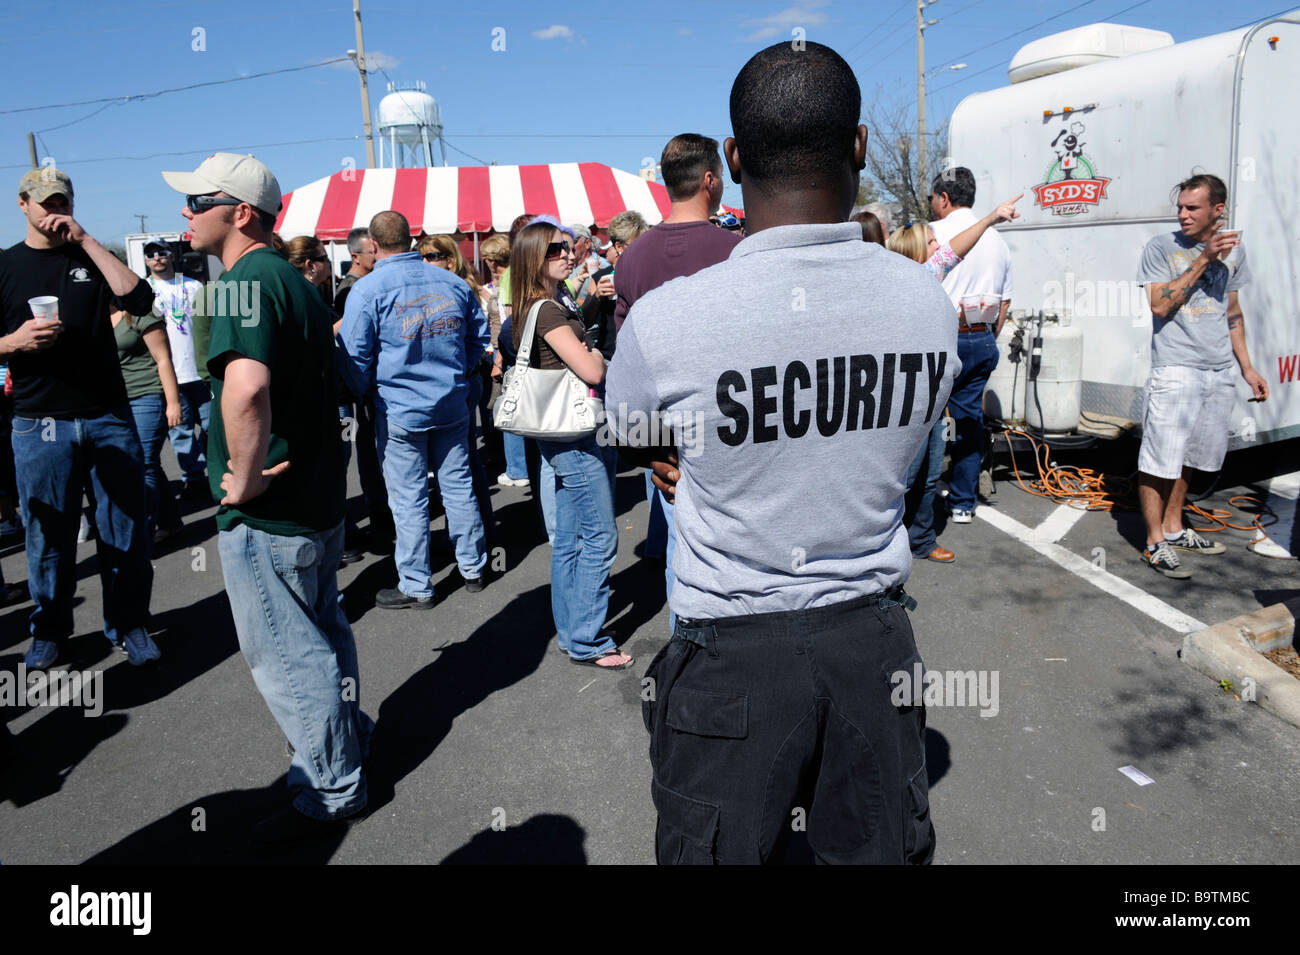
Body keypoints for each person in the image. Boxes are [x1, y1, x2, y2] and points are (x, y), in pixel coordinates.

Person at [607, 41, 955, 864]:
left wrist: (684, 448)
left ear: (733, 158)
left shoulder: (668, 318)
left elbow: (628, 432)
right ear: (862, 146)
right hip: (871, 642)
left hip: (730, 652)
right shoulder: (926, 304)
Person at [163, 152, 369, 841]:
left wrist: (246, 474)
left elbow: (247, 387)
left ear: (240, 211)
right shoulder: (290, 277)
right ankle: (341, 751)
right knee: (323, 635)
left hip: (270, 510)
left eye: (198, 201)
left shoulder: (243, 281)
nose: (185, 213)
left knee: (289, 653)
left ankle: (333, 781)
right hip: (313, 497)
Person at [0, 166, 160, 669]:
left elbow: (139, 298)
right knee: (48, 536)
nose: (54, 212)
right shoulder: (5, 267)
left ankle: (130, 624)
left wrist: (87, 239)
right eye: (45, 203)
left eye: (62, 202)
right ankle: (50, 630)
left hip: (107, 414)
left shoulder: (89, 257)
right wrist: (12, 343)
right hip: (37, 421)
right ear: (22, 204)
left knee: (125, 529)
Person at [612, 132, 741, 609]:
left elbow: (626, 360)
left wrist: (646, 449)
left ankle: (685, 646)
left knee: (679, 549)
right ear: (709, 180)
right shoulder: (735, 250)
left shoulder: (632, 259)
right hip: (729, 416)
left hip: (662, 425)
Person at [338, 211, 490, 609]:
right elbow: (479, 338)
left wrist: (369, 393)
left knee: (409, 498)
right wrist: (460, 372)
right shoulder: (452, 282)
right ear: (412, 240)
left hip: (401, 408)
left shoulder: (369, 289)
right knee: (458, 487)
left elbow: (353, 358)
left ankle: (417, 583)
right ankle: (473, 566)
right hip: (450, 402)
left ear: (373, 244)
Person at [1135, 173, 1268, 578]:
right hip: (1176, 367)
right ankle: (1155, 542)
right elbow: (1159, 306)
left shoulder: (1235, 252)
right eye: (1180, 207)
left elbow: (1233, 313)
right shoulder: (1162, 247)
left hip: (1218, 369)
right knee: (1159, 458)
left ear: (1218, 210)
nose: (1183, 215)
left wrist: (1247, 367)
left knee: (1191, 457)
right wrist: (1204, 258)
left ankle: (1175, 528)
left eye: (1193, 207)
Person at [512, 221, 628, 668]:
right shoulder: (547, 309)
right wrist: (596, 352)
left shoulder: (550, 302)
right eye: (555, 250)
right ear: (533, 259)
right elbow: (593, 370)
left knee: (572, 540)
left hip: (562, 433)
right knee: (600, 536)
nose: (567, 253)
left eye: (566, 247)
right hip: (574, 436)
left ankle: (573, 632)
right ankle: (585, 639)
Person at [886, 196, 1021, 564]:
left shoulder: (932, 275)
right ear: (915, 251)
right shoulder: (902, 282)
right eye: (931, 242)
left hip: (931, 393)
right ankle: (888, 543)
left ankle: (923, 539)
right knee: (908, 476)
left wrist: (992, 218)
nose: (939, 247)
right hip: (907, 398)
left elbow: (961, 247)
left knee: (930, 473)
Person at [929, 166, 1013, 524]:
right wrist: (984, 338)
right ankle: (963, 502)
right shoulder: (998, 240)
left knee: (926, 421)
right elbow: (1005, 302)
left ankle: (919, 502)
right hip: (981, 334)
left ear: (944, 198)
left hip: (940, 335)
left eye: (933, 198)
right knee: (968, 419)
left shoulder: (931, 233)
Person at [418, 233, 497, 541]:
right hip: (459, 381)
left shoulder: (462, 288)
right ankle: (471, 534)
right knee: (460, 461)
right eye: (421, 256)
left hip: (463, 381)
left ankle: (476, 535)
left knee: (461, 462)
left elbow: (478, 339)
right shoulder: (447, 286)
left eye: (432, 255)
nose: (425, 262)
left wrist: (457, 370)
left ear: (450, 259)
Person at [111, 303, 184, 545]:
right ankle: (170, 523)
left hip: (149, 397)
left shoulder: (138, 313)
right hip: (118, 402)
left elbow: (163, 359)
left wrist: (173, 403)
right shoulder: (92, 317)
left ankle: (143, 537)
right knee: (149, 464)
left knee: (143, 465)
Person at [144, 239, 209, 503]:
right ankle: (194, 479)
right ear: (146, 260)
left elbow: (208, 325)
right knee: (180, 431)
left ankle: (212, 470)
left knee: (213, 425)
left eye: (162, 252)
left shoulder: (193, 285)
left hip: (199, 370)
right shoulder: (144, 290)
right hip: (170, 374)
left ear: (172, 255)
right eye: (151, 254)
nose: (157, 257)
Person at [581, 210, 647, 361]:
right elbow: (584, 321)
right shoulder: (601, 278)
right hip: (611, 357)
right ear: (619, 247)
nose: (643, 249)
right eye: (637, 244)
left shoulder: (648, 274)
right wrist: (597, 297)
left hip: (641, 356)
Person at [334, 226, 375, 315]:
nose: (377, 256)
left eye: (377, 251)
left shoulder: (362, 282)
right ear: (355, 257)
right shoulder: (349, 289)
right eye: (372, 252)